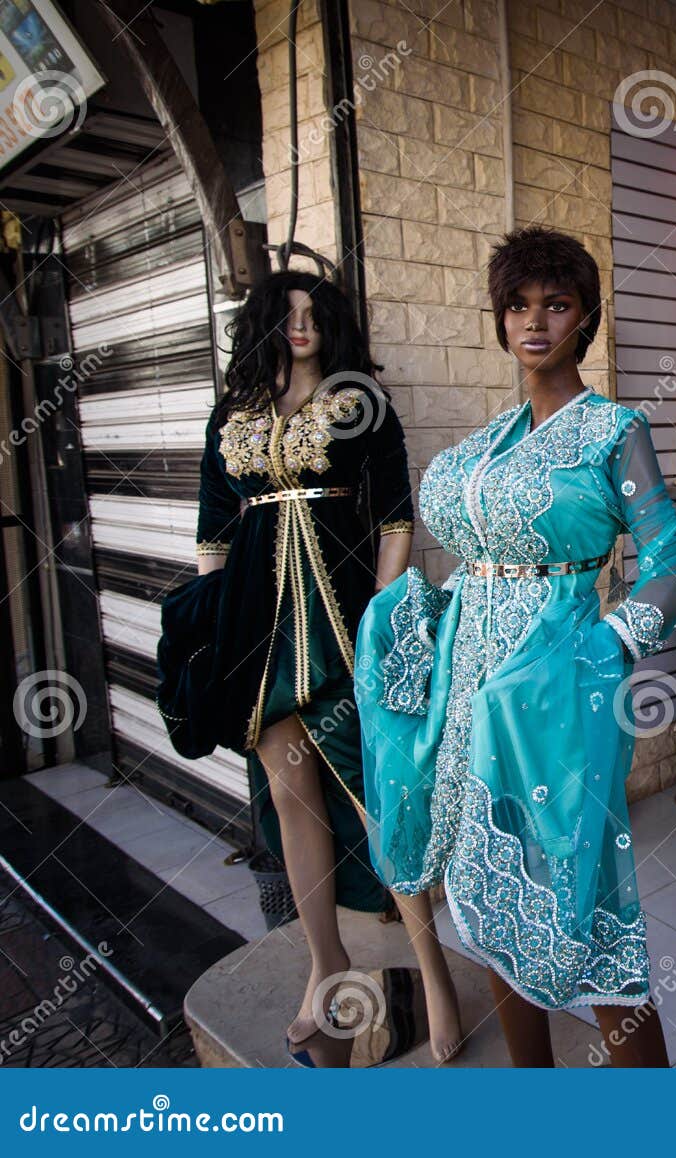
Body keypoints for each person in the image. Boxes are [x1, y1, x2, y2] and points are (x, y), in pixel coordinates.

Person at [354, 227, 676, 1066]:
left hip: (558, 694)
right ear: (500, 320)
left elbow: (672, 566)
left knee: (587, 893)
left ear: (587, 319)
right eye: (517, 305)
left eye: (556, 304)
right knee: (489, 898)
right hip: (473, 691)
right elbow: (479, 560)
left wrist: (602, 647)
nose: (534, 322)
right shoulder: (495, 438)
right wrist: (419, 615)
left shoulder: (614, 429)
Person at [182, 270, 460, 1066]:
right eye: (286, 313)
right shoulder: (230, 415)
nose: (300, 325)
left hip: (342, 627)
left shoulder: (360, 401)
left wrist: (381, 618)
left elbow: (395, 518)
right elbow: (213, 529)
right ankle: (325, 966)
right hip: (255, 632)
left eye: (313, 314)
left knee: (379, 797)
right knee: (290, 801)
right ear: (265, 322)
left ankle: (436, 972)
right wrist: (210, 624)